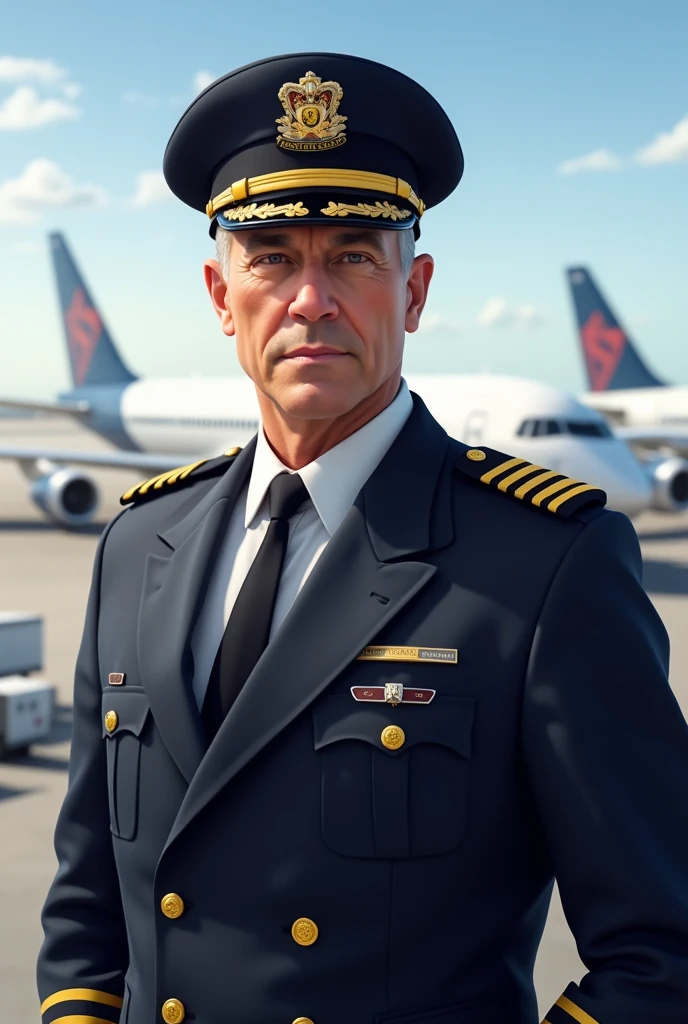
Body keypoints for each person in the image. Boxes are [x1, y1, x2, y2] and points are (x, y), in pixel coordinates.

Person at [37, 52, 688, 1024]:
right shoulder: (140, 544)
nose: (311, 299)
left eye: (351, 254)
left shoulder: (545, 563)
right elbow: (89, 908)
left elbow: (660, 952)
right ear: (222, 299)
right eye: (271, 257)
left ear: (413, 291)